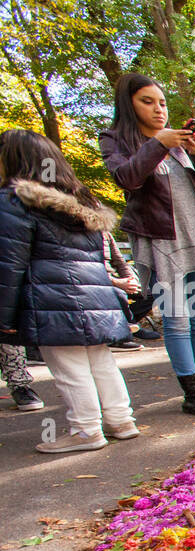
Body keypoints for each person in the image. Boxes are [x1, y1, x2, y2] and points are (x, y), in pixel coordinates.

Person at [98, 72, 195, 412]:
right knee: (177, 317)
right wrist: (158, 143)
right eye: (147, 102)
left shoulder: (179, 144)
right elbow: (128, 179)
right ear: (128, 104)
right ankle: (191, 394)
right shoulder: (116, 139)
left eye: (162, 102)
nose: (159, 109)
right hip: (162, 239)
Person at [0, 129, 137, 452]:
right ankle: (121, 419)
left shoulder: (14, 202)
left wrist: (4, 316)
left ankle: (86, 430)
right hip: (94, 297)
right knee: (99, 360)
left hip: (51, 299)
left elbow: (9, 264)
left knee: (68, 366)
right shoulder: (82, 201)